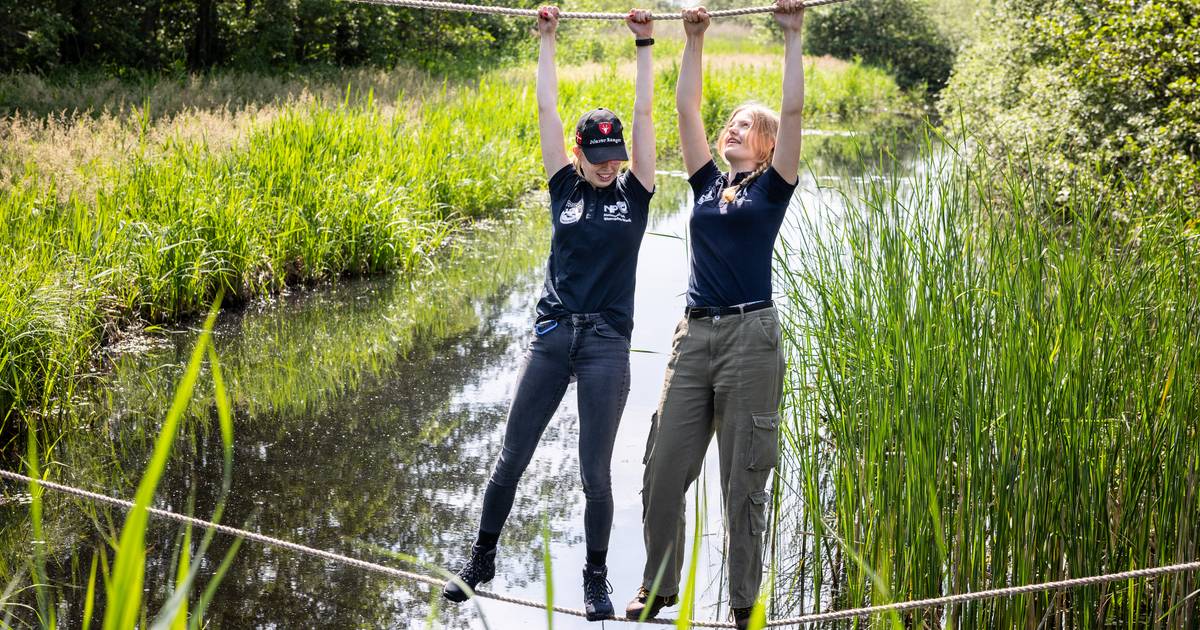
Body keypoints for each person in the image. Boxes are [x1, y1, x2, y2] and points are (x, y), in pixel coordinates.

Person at [442, 4, 656, 622]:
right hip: (553, 337)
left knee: (595, 475)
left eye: (616, 155)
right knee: (511, 457)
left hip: (606, 346)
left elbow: (646, 114)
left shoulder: (636, 193)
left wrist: (644, 45)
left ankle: (595, 579)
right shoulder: (563, 185)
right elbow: (546, 110)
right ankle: (480, 560)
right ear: (578, 153)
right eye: (599, 156)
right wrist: (547, 38)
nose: (610, 165)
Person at [624, 1, 804, 628]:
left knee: (743, 482)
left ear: (769, 145)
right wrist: (693, 39)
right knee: (662, 468)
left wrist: (792, 36)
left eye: (745, 125)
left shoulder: (774, 186)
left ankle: (743, 605)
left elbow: (793, 111)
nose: (731, 129)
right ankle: (658, 587)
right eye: (730, 123)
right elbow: (686, 110)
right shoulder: (705, 184)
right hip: (694, 336)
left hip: (752, 339)